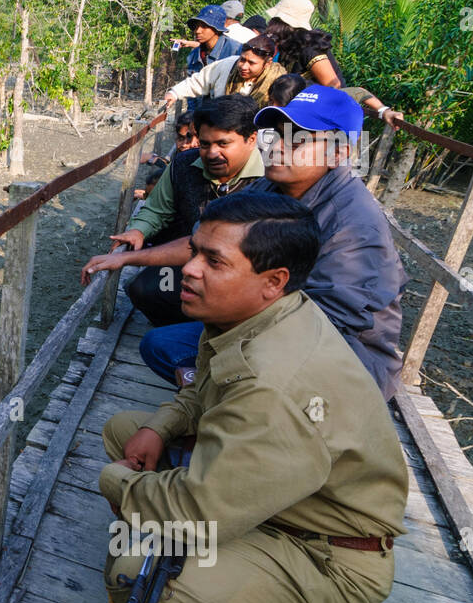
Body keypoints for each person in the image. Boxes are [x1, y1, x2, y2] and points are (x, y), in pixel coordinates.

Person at [100, 191, 408, 603]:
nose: (190, 270)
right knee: (128, 432)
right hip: (285, 501)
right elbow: (203, 386)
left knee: (142, 582)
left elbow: (200, 509)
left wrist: (118, 483)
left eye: (213, 261)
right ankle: (211, 565)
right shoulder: (258, 315)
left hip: (329, 556)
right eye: (194, 251)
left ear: (273, 282)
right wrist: (160, 427)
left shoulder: (277, 385)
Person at [137, 85, 408, 400]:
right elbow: (207, 231)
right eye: (276, 135)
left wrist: (232, 302)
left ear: (339, 153)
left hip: (337, 359)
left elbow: (325, 328)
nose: (279, 147)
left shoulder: (356, 227)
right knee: (160, 344)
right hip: (265, 324)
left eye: (299, 138)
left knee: (236, 375)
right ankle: (213, 391)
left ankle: (223, 396)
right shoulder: (271, 187)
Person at [82, 94, 264, 327]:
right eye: (206, 144)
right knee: (144, 290)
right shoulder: (183, 164)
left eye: (223, 144)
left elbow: (216, 244)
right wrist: (138, 230)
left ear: (251, 139)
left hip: (243, 274)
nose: (211, 153)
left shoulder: (268, 178)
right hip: (193, 260)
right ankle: (190, 331)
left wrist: (127, 258)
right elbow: (157, 209)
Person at [264, 0, 402, 127]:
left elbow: (335, 87)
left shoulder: (309, 49)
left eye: (274, 21)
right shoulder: (289, 47)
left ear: (281, 24)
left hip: (321, 119)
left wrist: (383, 111)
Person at [164, 35, 286, 108]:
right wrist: (174, 93)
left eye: (252, 63)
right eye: (242, 59)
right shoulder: (228, 64)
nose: (244, 66)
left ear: (268, 63)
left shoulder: (279, 79)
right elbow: (199, 81)